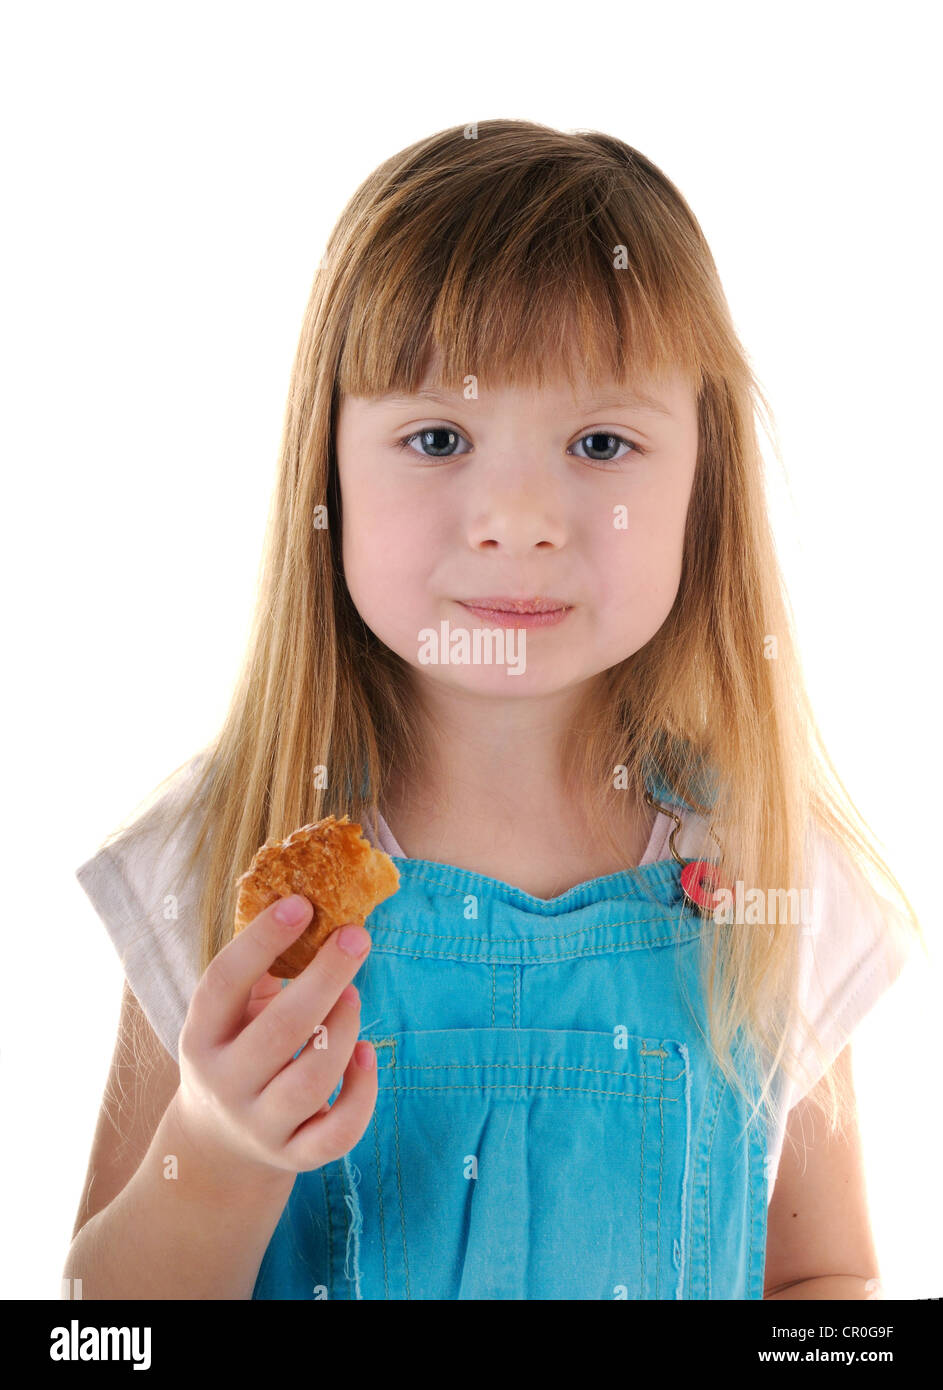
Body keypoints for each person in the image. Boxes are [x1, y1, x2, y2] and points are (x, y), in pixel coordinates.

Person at [65, 119, 923, 1301]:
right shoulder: (220, 870)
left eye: (600, 441)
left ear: (704, 485)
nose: (517, 518)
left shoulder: (769, 874)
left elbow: (822, 1280)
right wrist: (215, 1153)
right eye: (437, 437)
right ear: (328, 470)